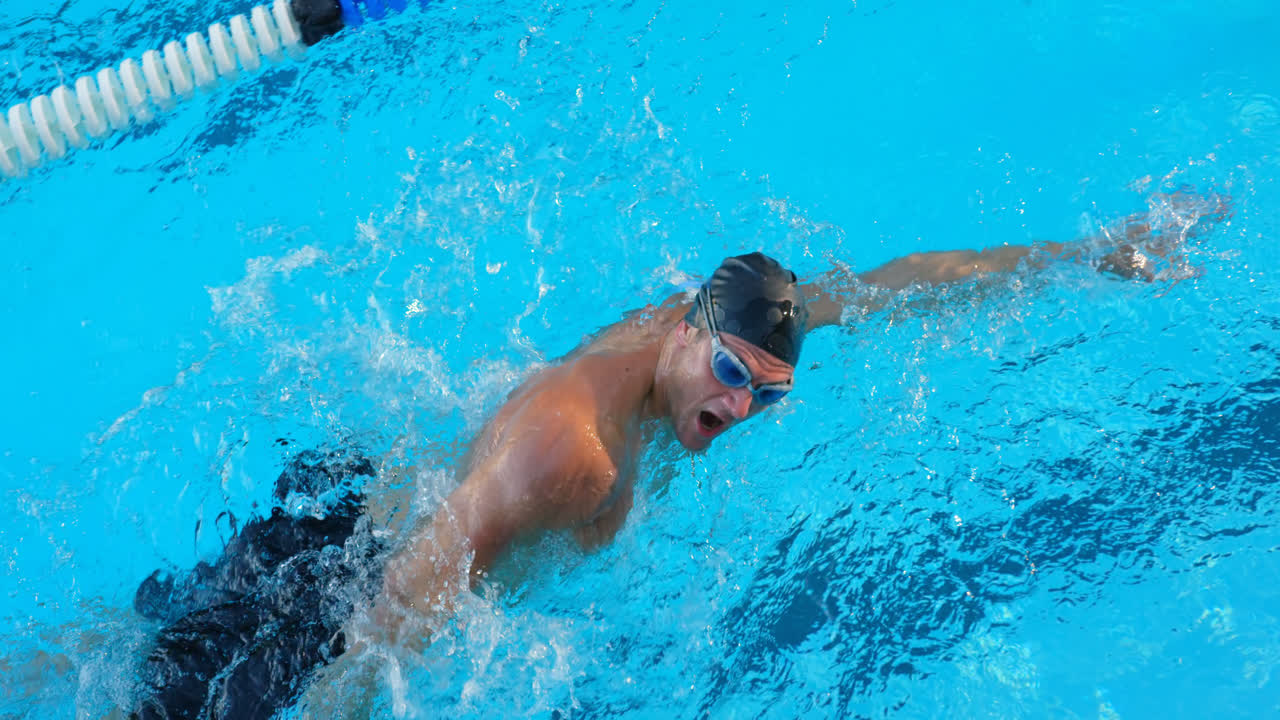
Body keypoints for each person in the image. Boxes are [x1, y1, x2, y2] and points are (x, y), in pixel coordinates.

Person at [130, 192, 1228, 718]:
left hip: (350, 517)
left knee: (101, 654)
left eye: (769, 394)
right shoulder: (566, 453)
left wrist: (1089, 258)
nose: (742, 406)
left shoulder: (693, 327)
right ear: (689, 331)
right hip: (332, 604)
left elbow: (893, 285)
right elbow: (384, 635)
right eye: (734, 377)